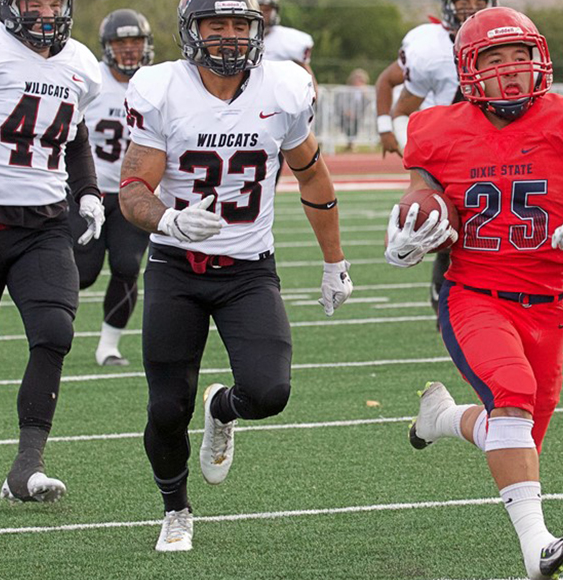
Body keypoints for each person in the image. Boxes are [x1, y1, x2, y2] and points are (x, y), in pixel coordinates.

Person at [388, 8, 563, 579]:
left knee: (518, 424)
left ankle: (444, 417)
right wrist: (404, 243)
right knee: (513, 395)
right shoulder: (438, 129)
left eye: (520, 57)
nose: (510, 70)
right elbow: (416, 208)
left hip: (549, 305)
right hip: (474, 294)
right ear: (469, 70)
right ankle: (538, 547)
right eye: (494, 59)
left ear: (539, 61)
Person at [118, 0, 353, 552]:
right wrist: (170, 219)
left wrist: (334, 261)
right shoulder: (162, 88)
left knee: (270, 391)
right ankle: (176, 509)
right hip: (176, 268)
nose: (228, 37)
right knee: (165, 407)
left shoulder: (285, 88)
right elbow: (132, 191)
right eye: (215, 26)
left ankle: (221, 408)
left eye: (239, 25)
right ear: (191, 31)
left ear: (257, 30)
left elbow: (312, 174)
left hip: (249, 270)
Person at [0, 0, 103, 504]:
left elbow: (75, 135)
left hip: (46, 223)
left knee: (55, 331)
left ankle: (26, 466)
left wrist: (89, 190)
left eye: (55, 1)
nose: (47, 11)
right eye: (36, 1)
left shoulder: (81, 63)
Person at [375, 0, 494, 323]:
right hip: (445, 144)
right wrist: (390, 130)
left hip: (491, 141)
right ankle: (442, 285)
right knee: (446, 213)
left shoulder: (503, 33)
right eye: (462, 1)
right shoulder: (429, 48)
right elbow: (392, 89)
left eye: (477, 1)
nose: (470, 7)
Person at [70, 9, 154, 367]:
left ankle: (108, 346)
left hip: (132, 193)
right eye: (121, 42)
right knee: (83, 273)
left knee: (126, 265)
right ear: (107, 47)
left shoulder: (155, 83)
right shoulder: (92, 78)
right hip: (88, 189)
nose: (130, 49)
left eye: (136, 41)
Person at [259, 0, 312, 73]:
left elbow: (306, 72)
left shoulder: (289, 38)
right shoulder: (242, 36)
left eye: (267, 10)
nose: (262, 14)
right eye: (258, 9)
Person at [336, 68, 370, 152]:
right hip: (346, 115)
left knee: (356, 123)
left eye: (361, 80)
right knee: (347, 123)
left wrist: (365, 94)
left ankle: (351, 143)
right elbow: (341, 103)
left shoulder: (366, 92)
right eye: (357, 79)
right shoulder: (346, 91)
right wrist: (347, 111)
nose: (359, 82)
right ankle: (350, 143)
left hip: (359, 115)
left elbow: (367, 104)